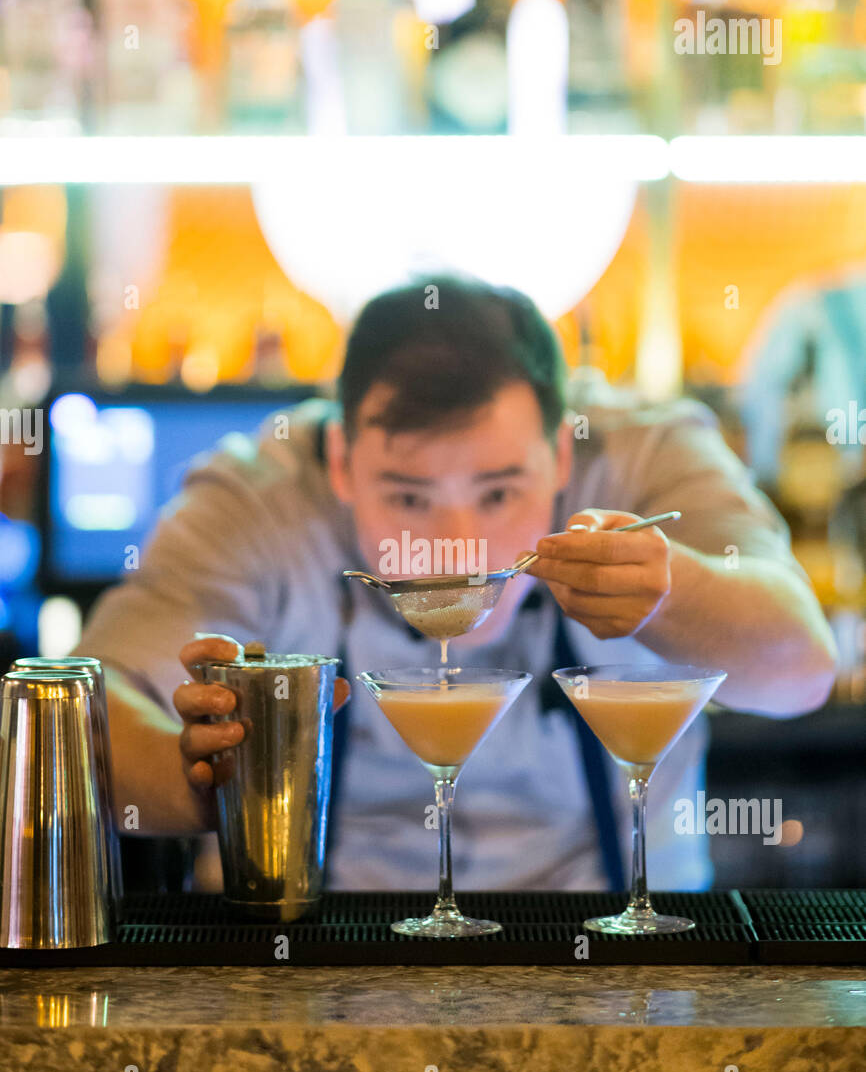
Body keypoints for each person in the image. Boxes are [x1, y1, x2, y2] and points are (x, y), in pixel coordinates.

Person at [79, 274, 837, 892]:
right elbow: (81, 711)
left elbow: (802, 670)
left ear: (561, 456)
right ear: (341, 460)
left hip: (623, 973)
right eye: (408, 498)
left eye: (501, 492)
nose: (454, 549)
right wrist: (199, 781)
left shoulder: (649, 453)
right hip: (322, 974)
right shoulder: (259, 498)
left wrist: (674, 592)